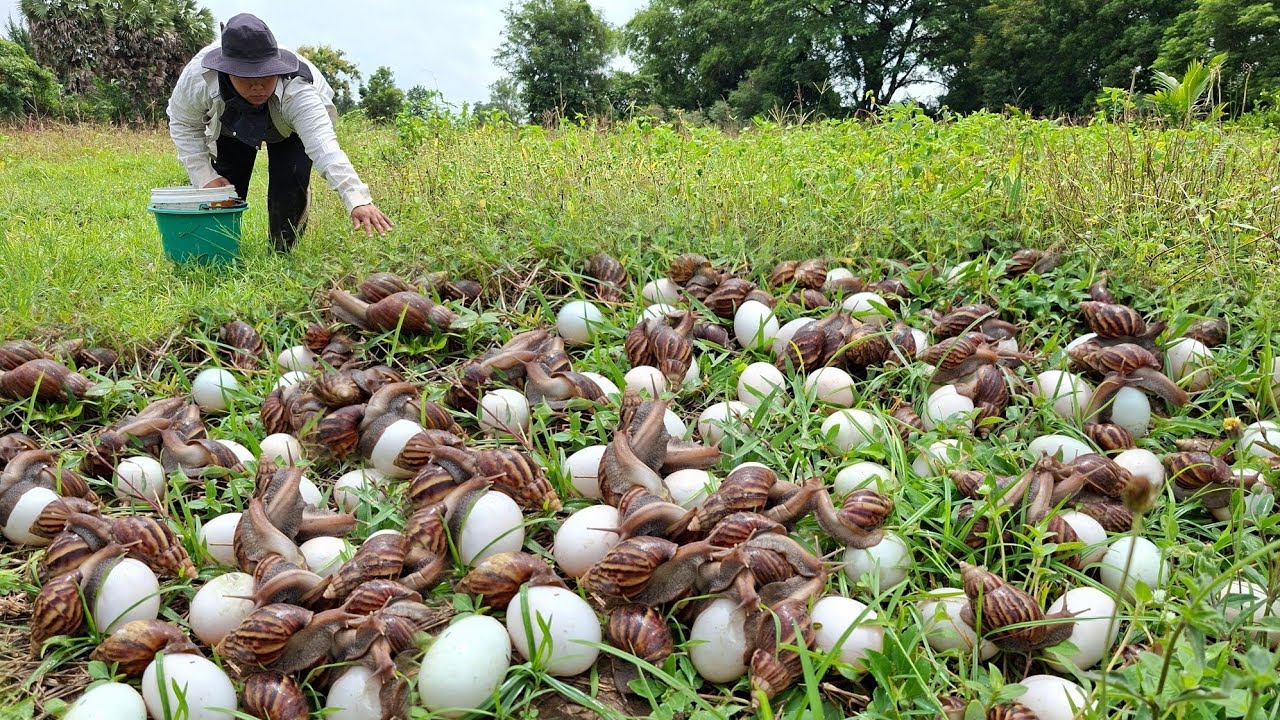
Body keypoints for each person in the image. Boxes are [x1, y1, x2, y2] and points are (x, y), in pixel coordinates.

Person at [166, 13, 392, 251]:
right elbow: (184, 124)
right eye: (246, 77)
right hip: (231, 123)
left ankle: (283, 253)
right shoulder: (198, 78)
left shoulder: (299, 91)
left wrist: (356, 199)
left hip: (289, 127)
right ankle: (220, 251)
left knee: (289, 186)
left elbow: (324, 147)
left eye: (265, 75)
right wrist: (204, 177)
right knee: (223, 189)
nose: (257, 86)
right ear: (226, 72)